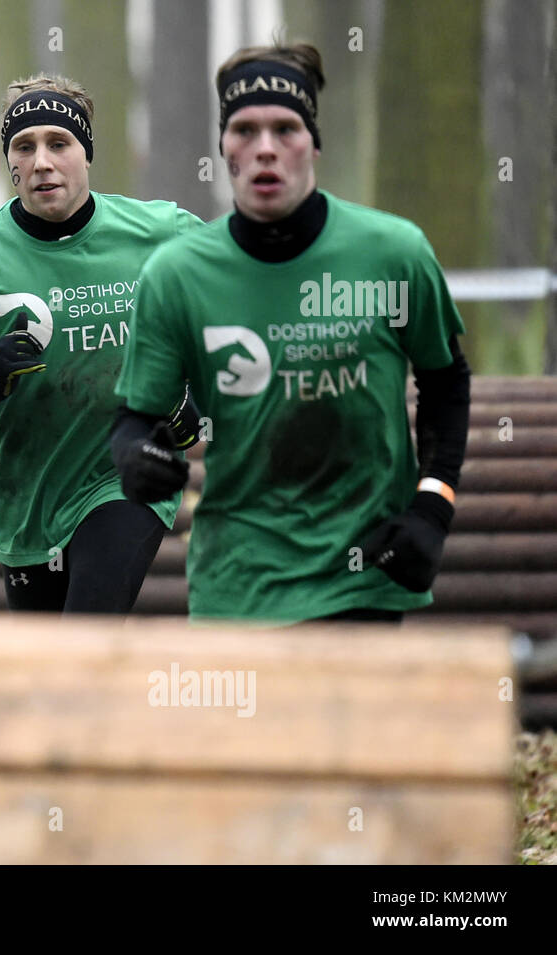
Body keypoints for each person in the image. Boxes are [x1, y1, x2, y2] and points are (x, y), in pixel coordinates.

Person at [112, 42, 471, 624]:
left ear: (314, 144)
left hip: (363, 571)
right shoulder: (175, 275)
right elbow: (135, 418)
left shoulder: (394, 252)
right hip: (239, 579)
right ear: (224, 148)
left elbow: (445, 380)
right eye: (245, 130)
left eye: (286, 128)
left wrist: (433, 506)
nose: (265, 150)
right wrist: (134, 456)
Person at [0, 73, 204, 614]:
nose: (43, 161)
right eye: (25, 146)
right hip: (31, 499)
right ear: (11, 164)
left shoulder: (163, 232)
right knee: (49, 664)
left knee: (86, 632)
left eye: (59, 143)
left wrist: (195, 398)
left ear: (86, 154)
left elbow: (232, 314)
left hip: (126, 478)